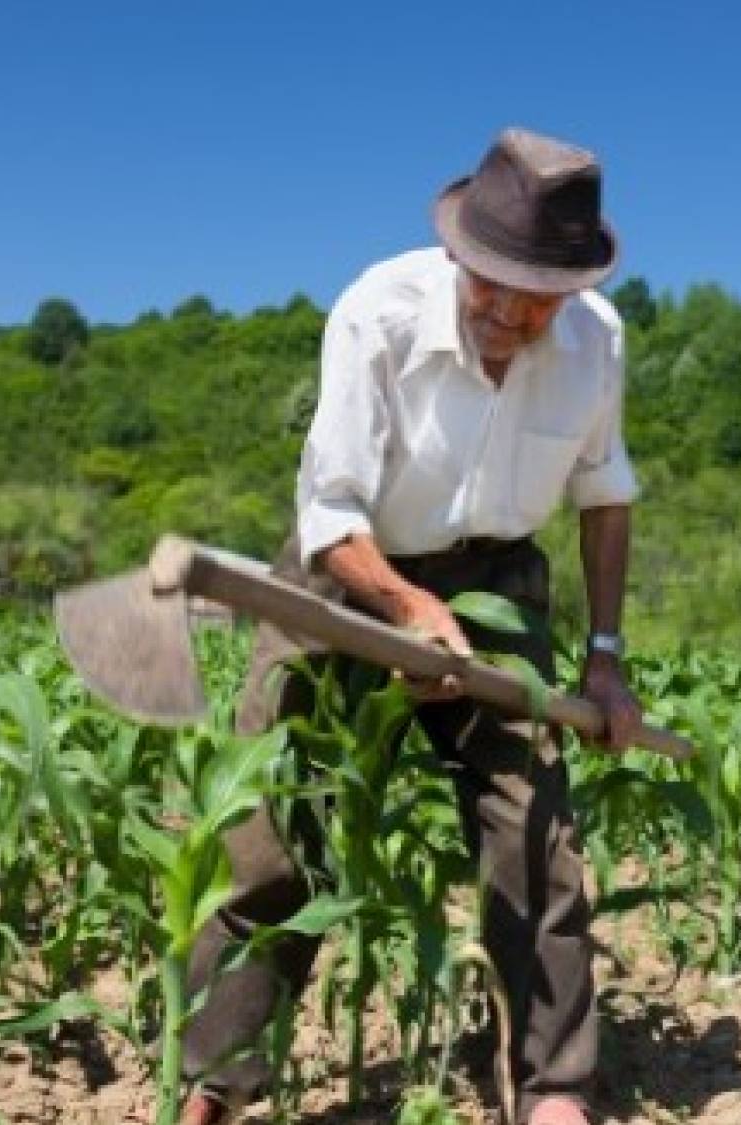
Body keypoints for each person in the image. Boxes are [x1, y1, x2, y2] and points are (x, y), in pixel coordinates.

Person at [178, 127, 644, 1125]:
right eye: (490, 285)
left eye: (535, 296)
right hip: (350, 573)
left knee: (532, 828)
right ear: (457, 252)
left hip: (499, 582)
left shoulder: (596, 340)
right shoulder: (376, 312)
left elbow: (605, 496)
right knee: (277, 838)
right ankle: (217, 1082)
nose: (507, 312)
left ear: (571, 287)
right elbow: (330, 509)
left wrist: (603, 657)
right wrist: (405, 605)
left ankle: (554, 1088)